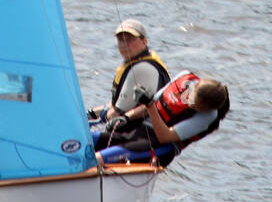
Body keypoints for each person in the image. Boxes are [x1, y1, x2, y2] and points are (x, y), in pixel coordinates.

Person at [96, 71, 230, 167]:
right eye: (192, 99)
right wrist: (125, 117)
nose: (190, 104)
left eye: (196, 106)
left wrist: (150, 105)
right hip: (140, 131)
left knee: (99, 158)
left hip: (160, 147)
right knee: (90, 140)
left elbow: (164, 136)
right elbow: (152, 103)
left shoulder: (208, 116)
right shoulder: (184, 79)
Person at [88, 20, 171, 151]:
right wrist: (90, 114)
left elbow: (116, 114)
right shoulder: (137, 63)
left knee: (76, 137)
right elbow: (119, 103)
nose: (124, 44)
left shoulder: (142, 69)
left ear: (144, 41)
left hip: (138, 137)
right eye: (120, 40)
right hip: (131, 132)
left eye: (130, 40)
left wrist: (100, 117)